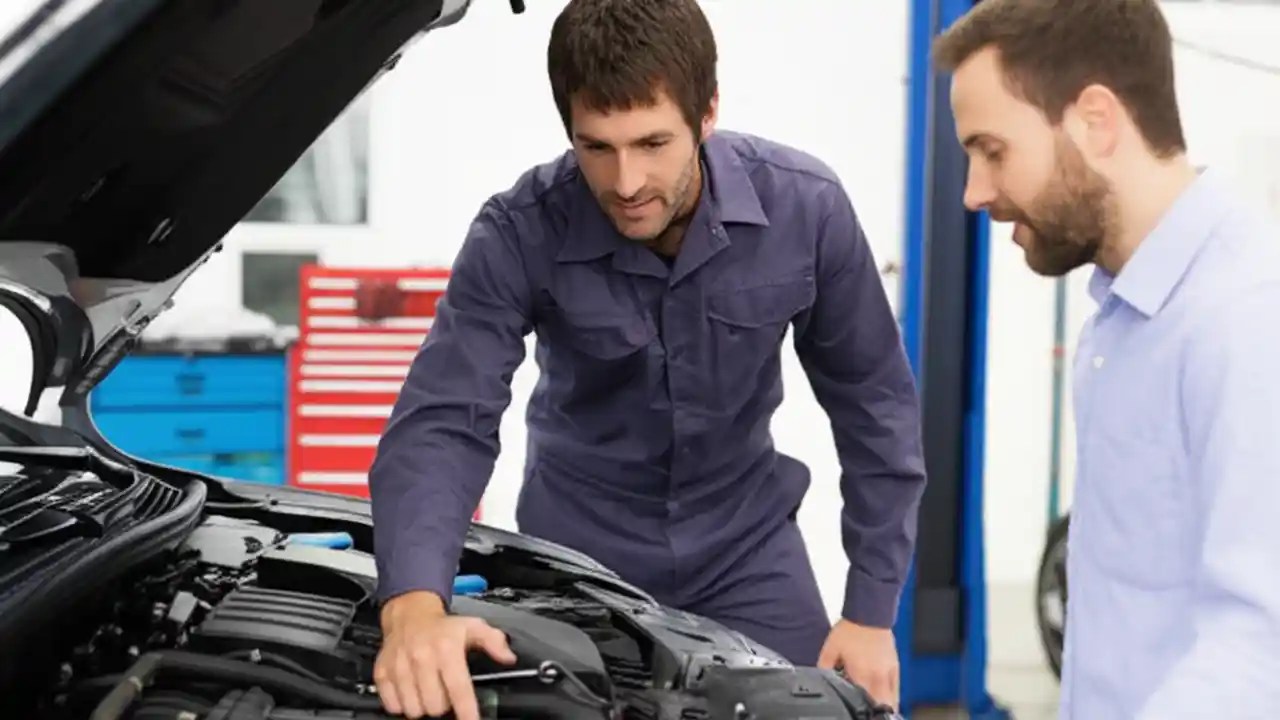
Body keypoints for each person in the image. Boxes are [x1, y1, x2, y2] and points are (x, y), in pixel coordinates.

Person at [367, 1, 927, 718]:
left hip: (747, 552)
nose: (627, 182)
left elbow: (874, 404)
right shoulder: (518, 231)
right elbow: (445, 422)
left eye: (653, 142)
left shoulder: (807, 211)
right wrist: (412, 606)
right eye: (596, 147)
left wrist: (872, 612)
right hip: (576, 560)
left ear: (708, 112)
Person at [934, 1, 1280, 718]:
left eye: (992, 150)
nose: (974, 192)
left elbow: (1261, 648)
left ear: (1095, 121)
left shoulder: (1246, 318)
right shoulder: (1119, 328)